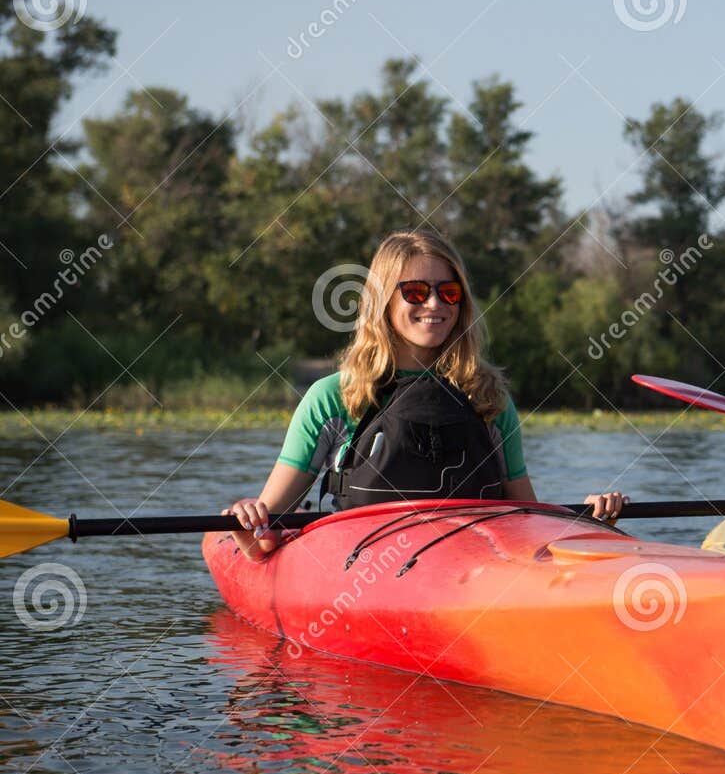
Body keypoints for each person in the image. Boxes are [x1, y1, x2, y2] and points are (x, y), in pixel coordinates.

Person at [225, 228, 624, 558]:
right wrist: (245, 522)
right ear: (383, 300)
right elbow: (264, 541)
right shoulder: (333, 398)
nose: (434, 303)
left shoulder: (488, 397)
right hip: (364, 573)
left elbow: (526, 517)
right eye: (415, 292)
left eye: (449, 292)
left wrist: (587, 521)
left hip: (471, 567)